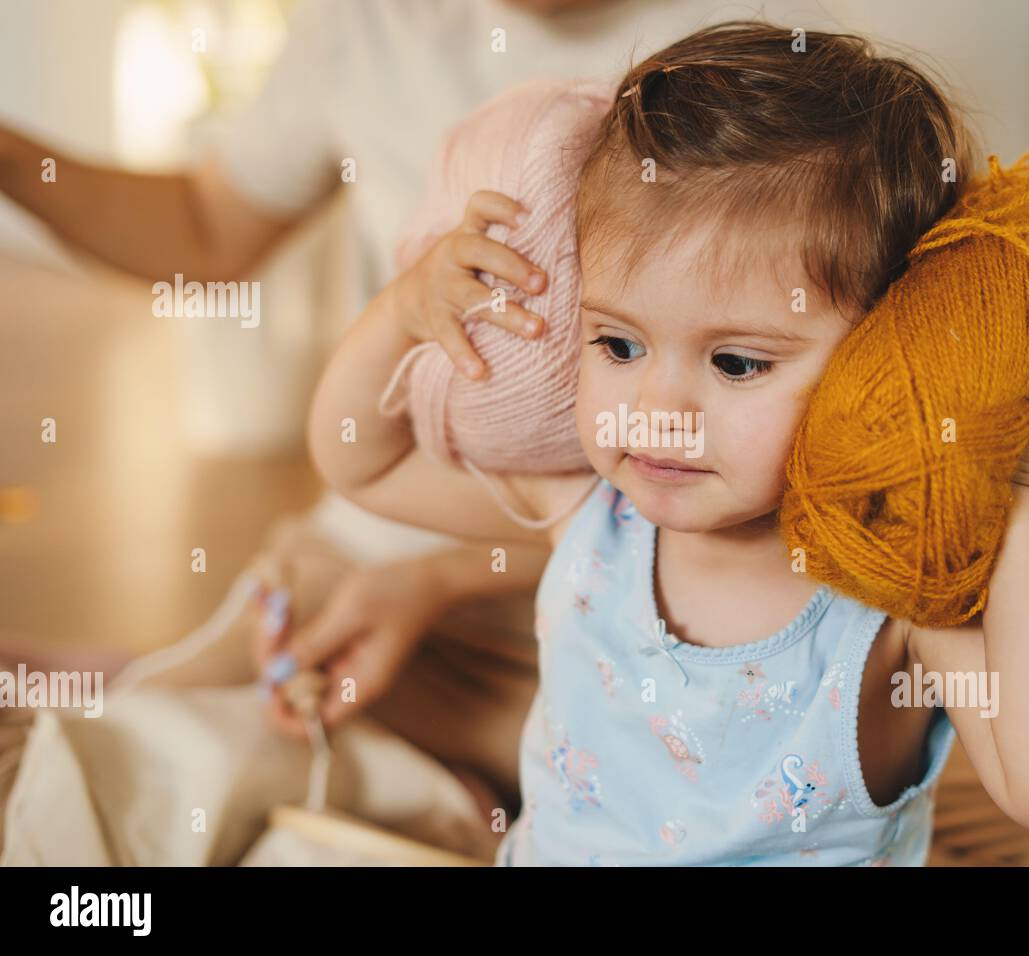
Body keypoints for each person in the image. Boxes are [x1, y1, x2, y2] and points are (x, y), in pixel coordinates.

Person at [308, 21, 1029, 865]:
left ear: (885, 359)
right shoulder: (590, 515)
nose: (656, 406)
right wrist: (403, 312)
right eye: (617, 344)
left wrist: (1024, 497)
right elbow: (360, 459)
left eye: (737, 363)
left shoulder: (897, 600)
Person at [0, 0, 791, 812]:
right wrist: (15, 161)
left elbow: (650, 525)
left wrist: (442, 580)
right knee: (142, 752)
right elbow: (210, 233)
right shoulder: (364, 28)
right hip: (371, 569)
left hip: (635, 599)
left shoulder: (765, 61)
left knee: (639, 773)